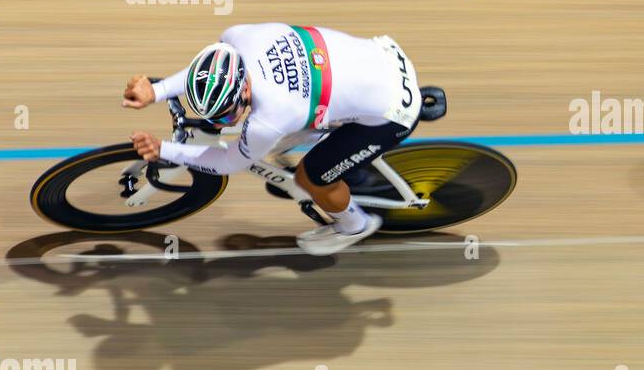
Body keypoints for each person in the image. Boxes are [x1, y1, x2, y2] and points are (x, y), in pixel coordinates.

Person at [122, 24, 421, 255]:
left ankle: (354, 225)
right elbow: (211, 68)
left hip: (394, 111)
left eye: (224, 116)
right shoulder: (239, 38)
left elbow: (229, 162)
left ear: (246, 93)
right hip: (383, 56)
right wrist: (157, 91)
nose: (218, 124)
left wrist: (165, 149)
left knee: (310, 178)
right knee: (301, 123)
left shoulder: (269, 118)